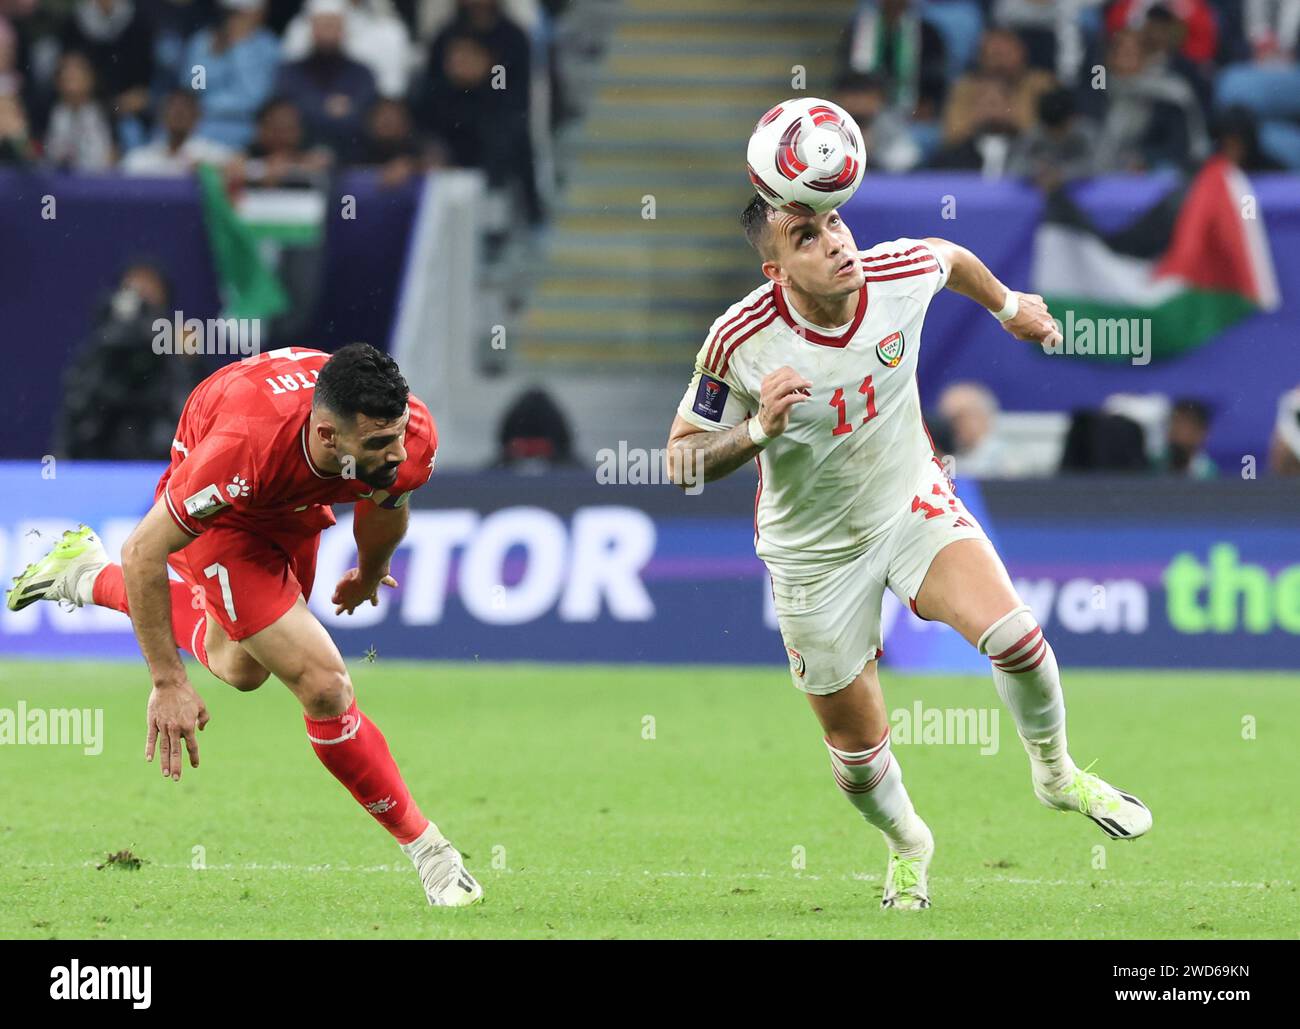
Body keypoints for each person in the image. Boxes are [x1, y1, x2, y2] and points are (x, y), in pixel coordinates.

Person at [665, 196, 1152, 911]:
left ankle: (1056, 774)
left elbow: (950, 258)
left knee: (1016, 635)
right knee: (858, 760)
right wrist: (758, 430)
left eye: (834, 221)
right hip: (813, 554)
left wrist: (1010, 304)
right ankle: (907, 842)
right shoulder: (738, 338)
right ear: (777, 271)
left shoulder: (895, 272)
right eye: (807, 236)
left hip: (909, 504)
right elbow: (679, 461)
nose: (834, 241)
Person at [8, 344, 483, 909]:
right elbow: (143, 551)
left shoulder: (404, 432)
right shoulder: (239, 450)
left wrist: (371, 571)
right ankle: (434, 855)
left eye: (400, 434)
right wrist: (167, 682)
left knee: (241, 667)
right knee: (325, 686)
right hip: (230, 511)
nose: (398, 451)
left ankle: (85, 575)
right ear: (329, 435)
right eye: (380, 444)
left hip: (291, 504)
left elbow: (387, 498)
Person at [121, 89, 234, 175]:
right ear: (161, 115)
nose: (178, 115)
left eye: (184, 111)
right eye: (173, 109)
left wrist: (208, 171)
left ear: (196, 116)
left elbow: (237, 168)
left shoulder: (214, 156)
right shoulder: (139, 159)